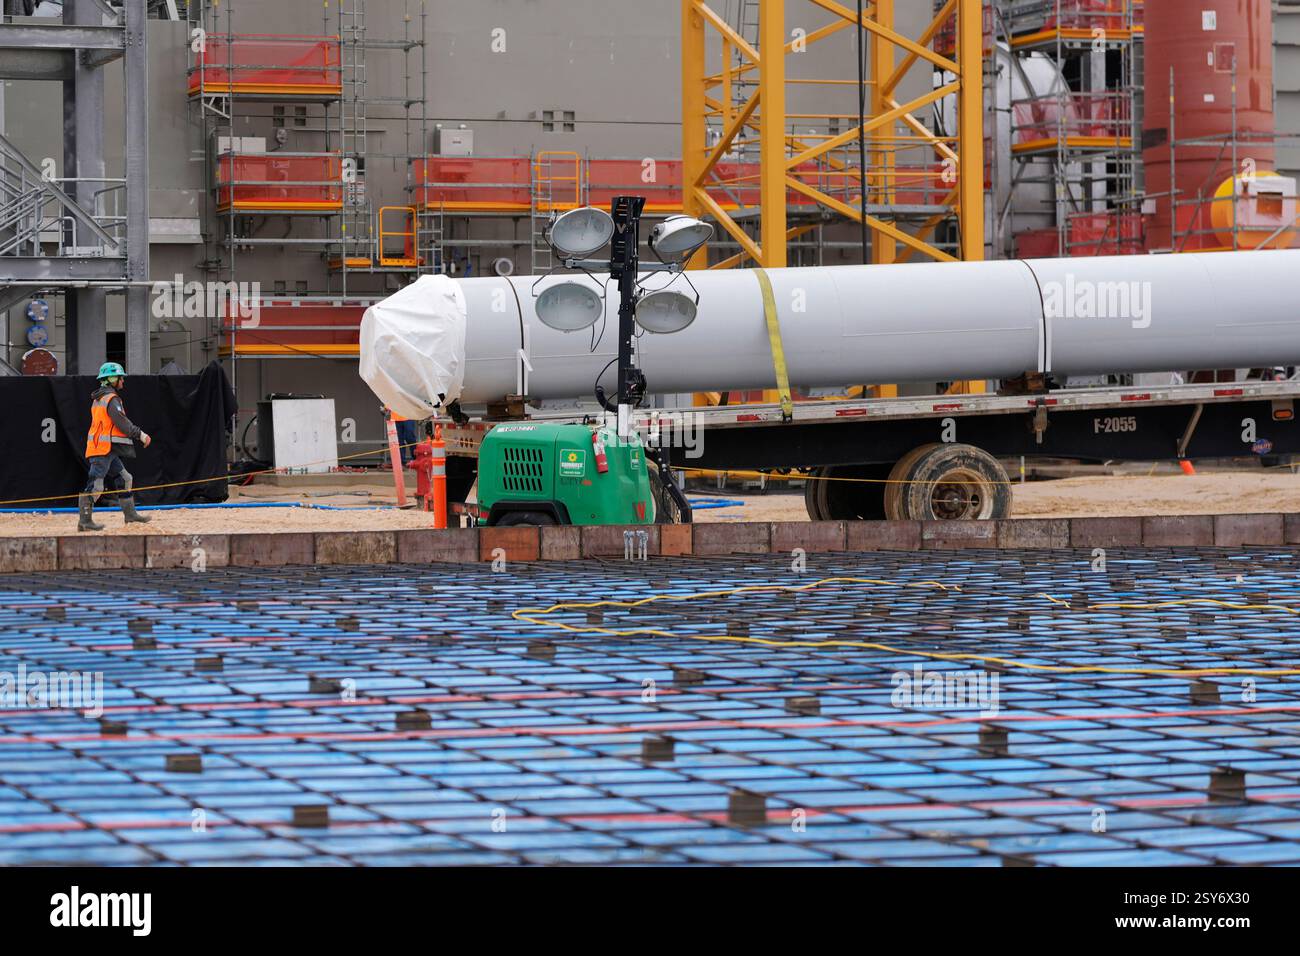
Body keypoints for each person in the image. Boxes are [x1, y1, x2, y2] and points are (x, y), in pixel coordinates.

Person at [79, 362, 152, 532]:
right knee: (95, 485)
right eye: (121, 378)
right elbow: (122, 423)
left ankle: (130, 515)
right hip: (102, 449)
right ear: (112, 379)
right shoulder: (111, 399)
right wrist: (141, 435)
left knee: (125, 479)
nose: (123, 381)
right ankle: (84, 521)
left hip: (107, 449)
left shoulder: (100, 398)